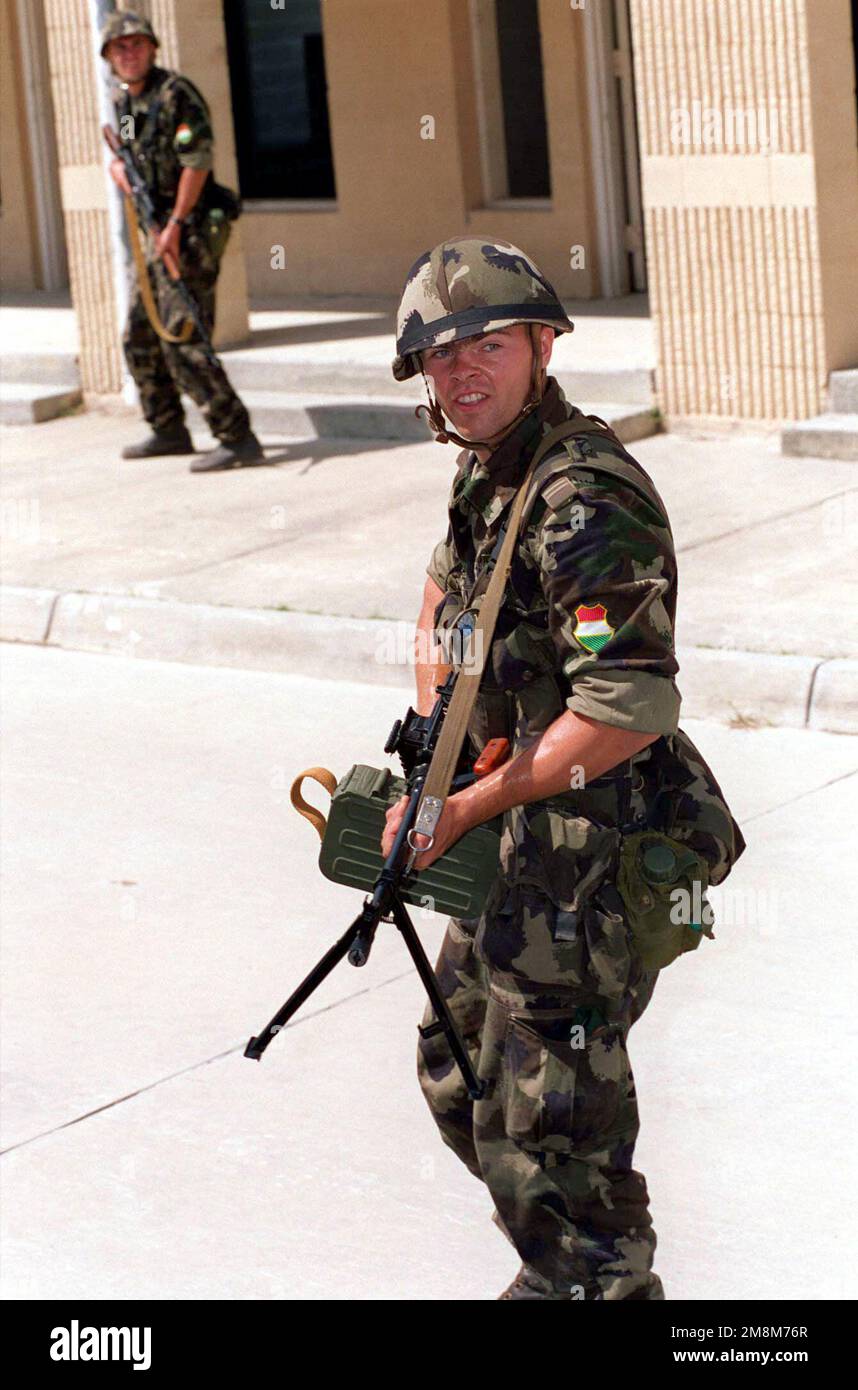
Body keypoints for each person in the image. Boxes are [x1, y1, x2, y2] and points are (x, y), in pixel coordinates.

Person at [382, 236, 743, 1300]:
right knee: (461, 1070)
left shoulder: (582, 497)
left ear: (543, 343)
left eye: (487, 344)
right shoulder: (484, 477)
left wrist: (471, 799)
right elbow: (443, 607)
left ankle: (592, 1276)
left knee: (555, 1132)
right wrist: (433, 752)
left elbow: (623, 711)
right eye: (442, 359)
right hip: (506, 841)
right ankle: (568, 1262)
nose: (463, 374)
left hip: (588, 864)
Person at [101, 11, 264, 473]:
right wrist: (118, 173)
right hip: (156, 233)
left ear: (152, 48)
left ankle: (237, 436)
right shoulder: (126, 105)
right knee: (138, 335)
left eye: (135, 44)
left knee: (184, 337)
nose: (128, 54)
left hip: (189, 232)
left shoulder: (176, 95)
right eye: (119, 48)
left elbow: (197, 162)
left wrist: (173, 224)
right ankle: (167, 428)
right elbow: (128, 156)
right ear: (110, 59)